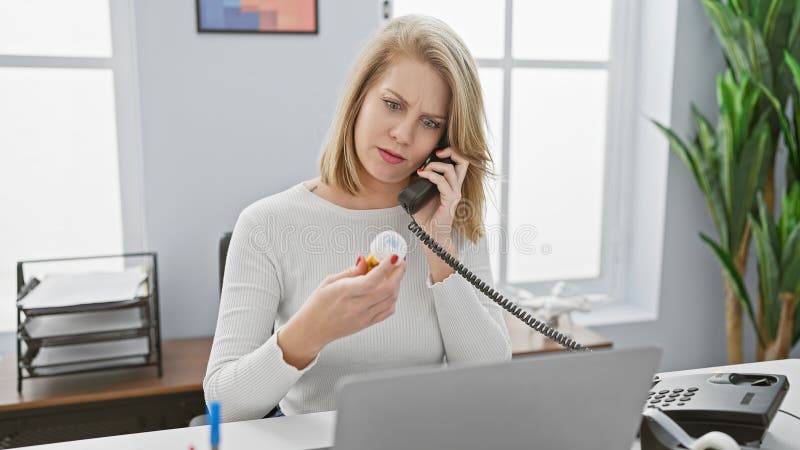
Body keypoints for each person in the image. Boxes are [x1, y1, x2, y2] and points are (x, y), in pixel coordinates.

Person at [203, 14, 511, 423]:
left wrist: (439, 247)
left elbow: (489, 381)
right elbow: (224, 405)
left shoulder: (449, 220)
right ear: (359, 99)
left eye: (429, 123)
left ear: (445, 142)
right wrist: (310, 330)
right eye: (392, 105)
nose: (403, 133)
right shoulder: (266, 224)